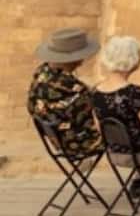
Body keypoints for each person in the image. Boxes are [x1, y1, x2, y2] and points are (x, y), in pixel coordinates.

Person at [92, 36, 140, 196]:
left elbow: (100, 127)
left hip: (114, 151)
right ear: (130, 60)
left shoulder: (95, 92)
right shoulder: (135, 93)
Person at [28, 28, 104, 159]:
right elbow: (94, 107)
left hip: (57, 139)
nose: (82, 61)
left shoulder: (42, 72)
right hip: (77, 143)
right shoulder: (69, 86)